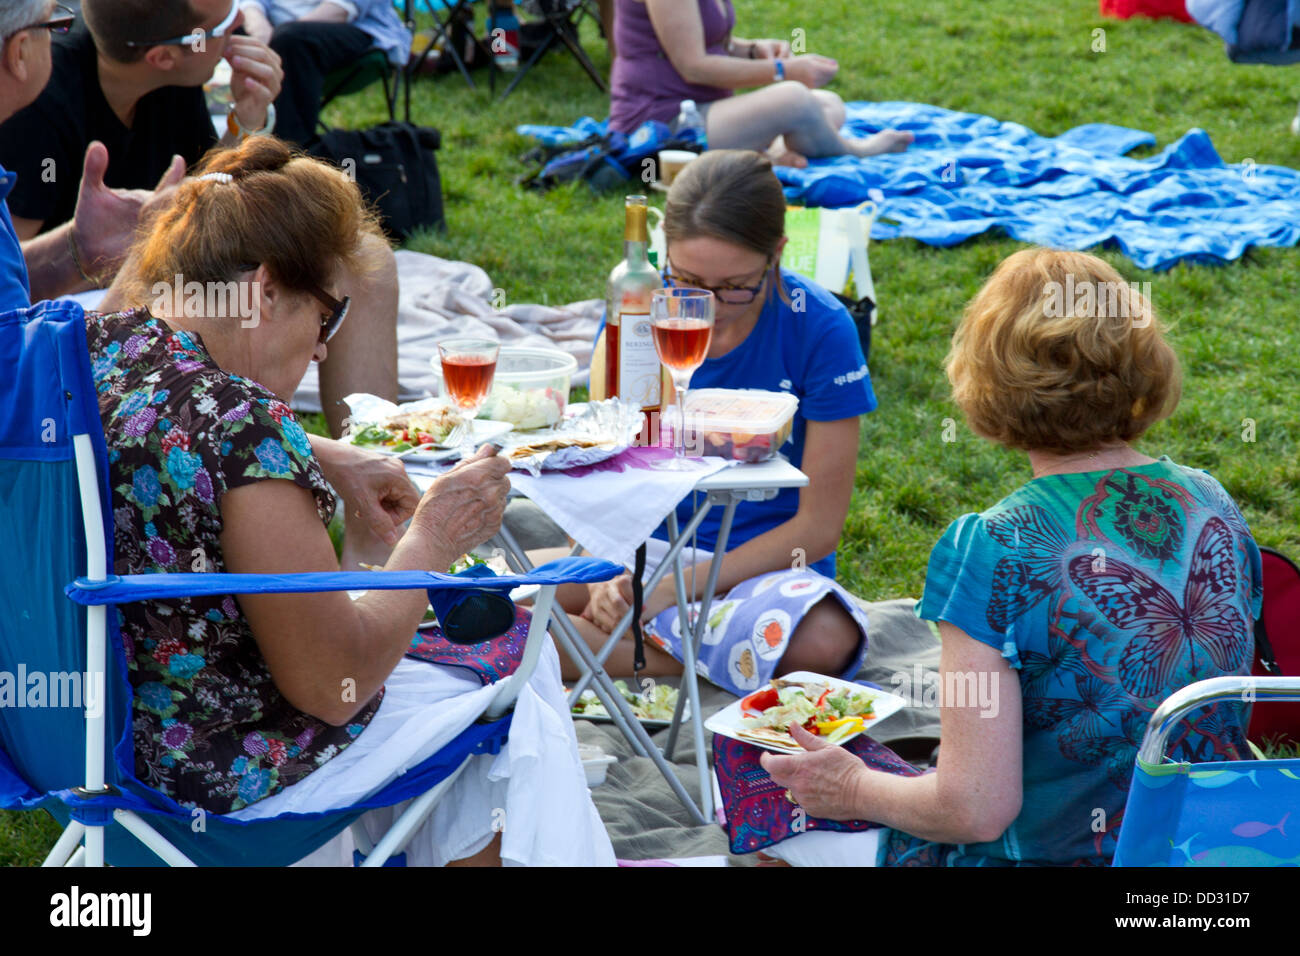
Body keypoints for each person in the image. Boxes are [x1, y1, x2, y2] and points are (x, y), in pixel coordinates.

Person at [91, 136, 615, 866]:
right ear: (266, 291)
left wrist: (321, 452)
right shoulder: (241, 430)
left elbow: (183, 446)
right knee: (518, 681)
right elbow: (335, 686)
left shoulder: (100, 352)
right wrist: (432, 541)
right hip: (228, 774)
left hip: (94, 739)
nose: (322, 352)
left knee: (487, 686)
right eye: (327, 317)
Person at [755, 248, 1263, 867]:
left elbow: (973, 809)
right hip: (1207, 849)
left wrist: (850, 786)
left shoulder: (993, 545)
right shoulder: (1212, 499)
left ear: (989, 380)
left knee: (776, 832)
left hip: (1054, 855)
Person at [555, 150, 877, 698]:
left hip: (764, 565)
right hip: (642, 547)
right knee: (486, 600)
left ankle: (624, 650)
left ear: (776, 254)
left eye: (735, 285)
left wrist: (669, 590)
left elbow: (818, 526)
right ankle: (679, 651)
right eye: (685, 279)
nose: (708, 303)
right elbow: (602, 466)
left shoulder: (820, 327)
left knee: (824, 641)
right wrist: (606, 572)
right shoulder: (640, 312)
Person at [0, 0, 397, 437]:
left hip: (147, 275)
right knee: (257, 297)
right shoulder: (35, 114)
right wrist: (83, 253)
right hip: (74, 331)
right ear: (164, 55)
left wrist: (247, 122)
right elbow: (15, 303)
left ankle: (377, 465)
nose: (242, 22)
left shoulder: (172, 77)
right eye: (224, 22)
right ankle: (258, 461)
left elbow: (208, 201)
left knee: (362, 257)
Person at [0, 0, 185, 310]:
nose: (63, 37)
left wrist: (76, 247)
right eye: (53, 23)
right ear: (19, 52)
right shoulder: (46, 114)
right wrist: (145, 258)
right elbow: (17, 355)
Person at [608, 0, 912, 166]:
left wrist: (754, 49)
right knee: (796, 98)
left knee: (827, 102)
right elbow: (694, 66)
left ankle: (777, 153)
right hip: (662, 122)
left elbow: (707, 40)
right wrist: (782, 70)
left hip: (705, 110)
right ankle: (856, 151)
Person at [238, 0, 412, 147]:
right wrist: (259, 27)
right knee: (220, 31)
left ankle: (289, 153)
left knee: (292, 40)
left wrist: (278, 37)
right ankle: (225, 142)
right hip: (274, 30)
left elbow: (343, 7)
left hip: (351, 26)